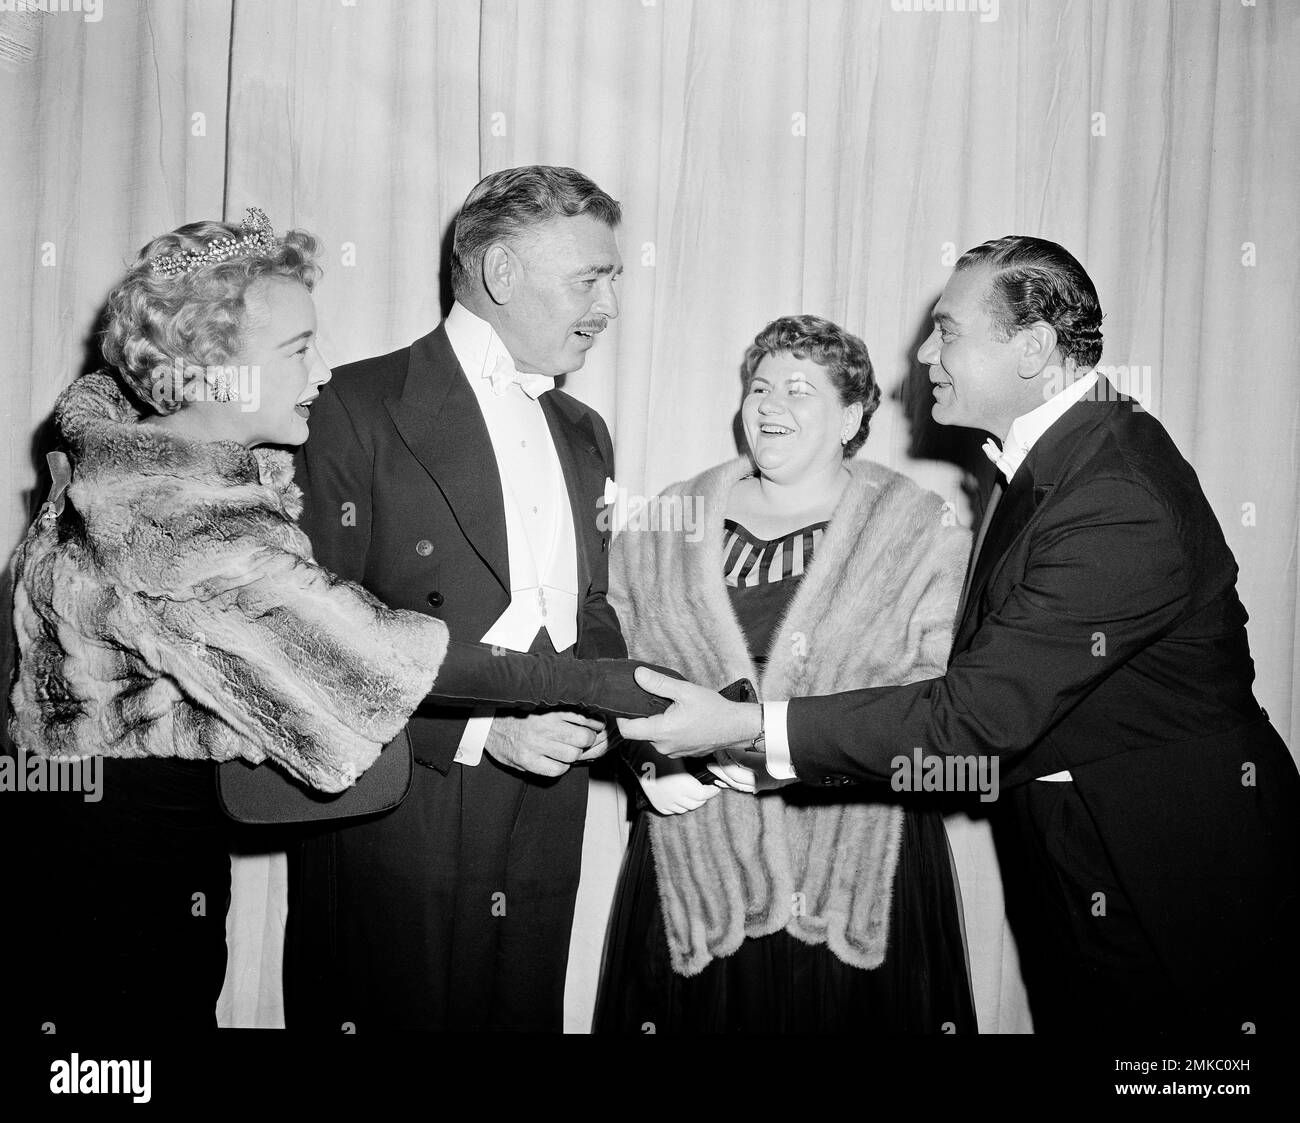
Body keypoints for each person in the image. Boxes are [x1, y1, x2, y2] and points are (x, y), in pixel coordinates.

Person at [620, 236, 1300, 1035]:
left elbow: (974, 715)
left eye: (947, 330)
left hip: (1172, 879)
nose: (922, 351)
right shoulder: (1054, 461)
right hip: (1089, 857)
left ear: (1034, 347)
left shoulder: (1113, 491)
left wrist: (746, 728)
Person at [7, 207, 661, 1033]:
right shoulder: (169, 513)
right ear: (213, 370)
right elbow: (381, 658)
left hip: (140, 850)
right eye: (295, 350)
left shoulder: (151, 469)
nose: (321, 372)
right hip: (110, 873)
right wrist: (623, 690)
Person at [285, 167, 632, 1032]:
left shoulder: (586, 430)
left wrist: (629, 715)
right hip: (404, 794)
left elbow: (587, 605)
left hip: (550, 796)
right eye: (592, 277)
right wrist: (479, 730)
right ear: (502, 274)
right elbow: (308, 642)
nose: (610, 304)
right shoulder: (348, 406)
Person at [594, 315, 976, 1033]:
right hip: (695, 851)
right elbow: (610, 655)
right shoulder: (670, 517)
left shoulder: (919, 527)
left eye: (799, 389)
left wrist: (802, 755)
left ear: (853, 415)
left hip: (855, 853)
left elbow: (940, 694)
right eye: (759, 386)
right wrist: (642, 758)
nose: (769, 404)